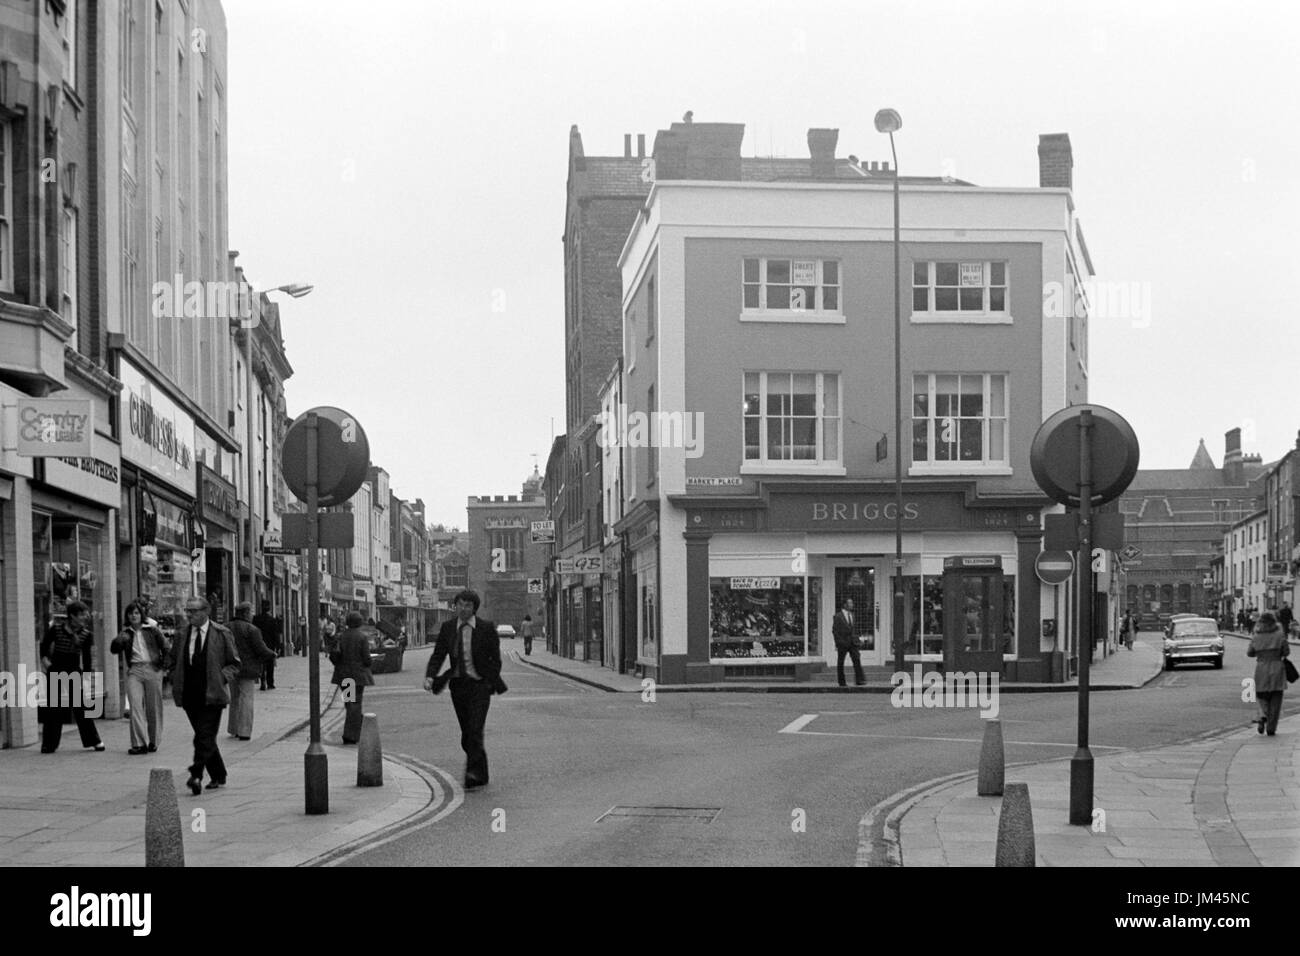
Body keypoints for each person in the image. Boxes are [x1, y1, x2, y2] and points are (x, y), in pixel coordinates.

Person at [424, 589, 508, 788]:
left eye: (468, 605)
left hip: (480, 686)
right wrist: (430, 675)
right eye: (460, 604)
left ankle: (471, 773)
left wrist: (489, 681)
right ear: (455, 606)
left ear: (474, 608)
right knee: (467, 734)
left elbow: (495, 660)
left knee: (475, 729)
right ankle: (482, 770)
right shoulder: (448, 628)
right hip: (458, 686)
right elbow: (439, 655)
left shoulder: (486, 628)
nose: (463, 608)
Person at [172, 596, 240, 794]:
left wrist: (221, 677)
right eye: (188, 611)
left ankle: (196, 774)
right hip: (189, 694)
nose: (189, 614)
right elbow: (174, 658)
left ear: (206, 611)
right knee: (205, 736)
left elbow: (235, 663)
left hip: (213, 693)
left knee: (203, 736)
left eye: (194, 611)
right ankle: (219, 774)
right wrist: (173, 675)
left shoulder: (221, 633)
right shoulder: (182, 634)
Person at [39, 601, 105, 753]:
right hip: (56, 668)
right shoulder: (56, 629)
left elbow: (87, 658)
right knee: (53, 707)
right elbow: (43, 647)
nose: (85, 617)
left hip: (74, 669)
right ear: (72, 616)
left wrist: (88, 677)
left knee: (80, 707)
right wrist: (47, 664)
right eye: (82, 614)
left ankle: (94, 740)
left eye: (86, 614)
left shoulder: (86, 634)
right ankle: (49, 744)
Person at [111, 601, 170, 754]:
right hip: (135, 671)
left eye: (136, 613)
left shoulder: (152, 630)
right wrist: (119, 639)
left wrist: (163, 666)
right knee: (135, 705)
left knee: (153, 706)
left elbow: (166, 647)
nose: (133, 616)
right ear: (127, 616)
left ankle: (154, 741)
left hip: (152, 668)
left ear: (141, 615)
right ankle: (139, 743)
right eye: (131, 613)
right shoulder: (126, 633)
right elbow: (114, 649)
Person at [227, 602, 275, 741]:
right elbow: (260, 649)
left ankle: (233, 728)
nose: (252, 615)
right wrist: (272, 654)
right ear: (246, 613)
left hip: (230, 668)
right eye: (251, 612)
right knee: (246, 698)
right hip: (247, 668)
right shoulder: (252, 629)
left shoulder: (226, 627)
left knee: (234, 698)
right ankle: (244, 731)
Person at [330, 611, 374, 744]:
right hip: (357, 676)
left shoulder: (340, 636)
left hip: (345, 676)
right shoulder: (361, 637)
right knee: (354, 705)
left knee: (350, 703)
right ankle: (350, 734)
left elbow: (333, 656)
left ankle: (357, 729)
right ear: (359, 623)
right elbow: (367, 659)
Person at [1247, 610, 1290, 736]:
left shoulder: (1256, 636)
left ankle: (1262, 715)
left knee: (1261, 695)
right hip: (1277, 667)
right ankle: (1271, 728)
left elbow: (1250, 653)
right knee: (1276, 699)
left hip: (1261, 668)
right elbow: (1286, 652)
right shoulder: (1279, 635)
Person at [832, 599, 865, 687]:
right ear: (845, 605)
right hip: (843, 642)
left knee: (856, 659)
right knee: (841, 661)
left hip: (853, 642)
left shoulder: (852, 615)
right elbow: (835, 630)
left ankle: (859, 680)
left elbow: (854, 629)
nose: (852, 605)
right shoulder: (838, 616)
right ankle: (842, 681)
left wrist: (857, 640)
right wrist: (838, 642)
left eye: (852, 603)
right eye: (850, 603)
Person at [253, 603, 282, 689]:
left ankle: (262, 681)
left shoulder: (256, 619)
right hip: (270, 645)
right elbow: (275, 634)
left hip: (259, 643)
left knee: (261, 663)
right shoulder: (272, 620)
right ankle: (270, 683)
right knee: (270, 665)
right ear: (269, 609)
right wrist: (278, 646)